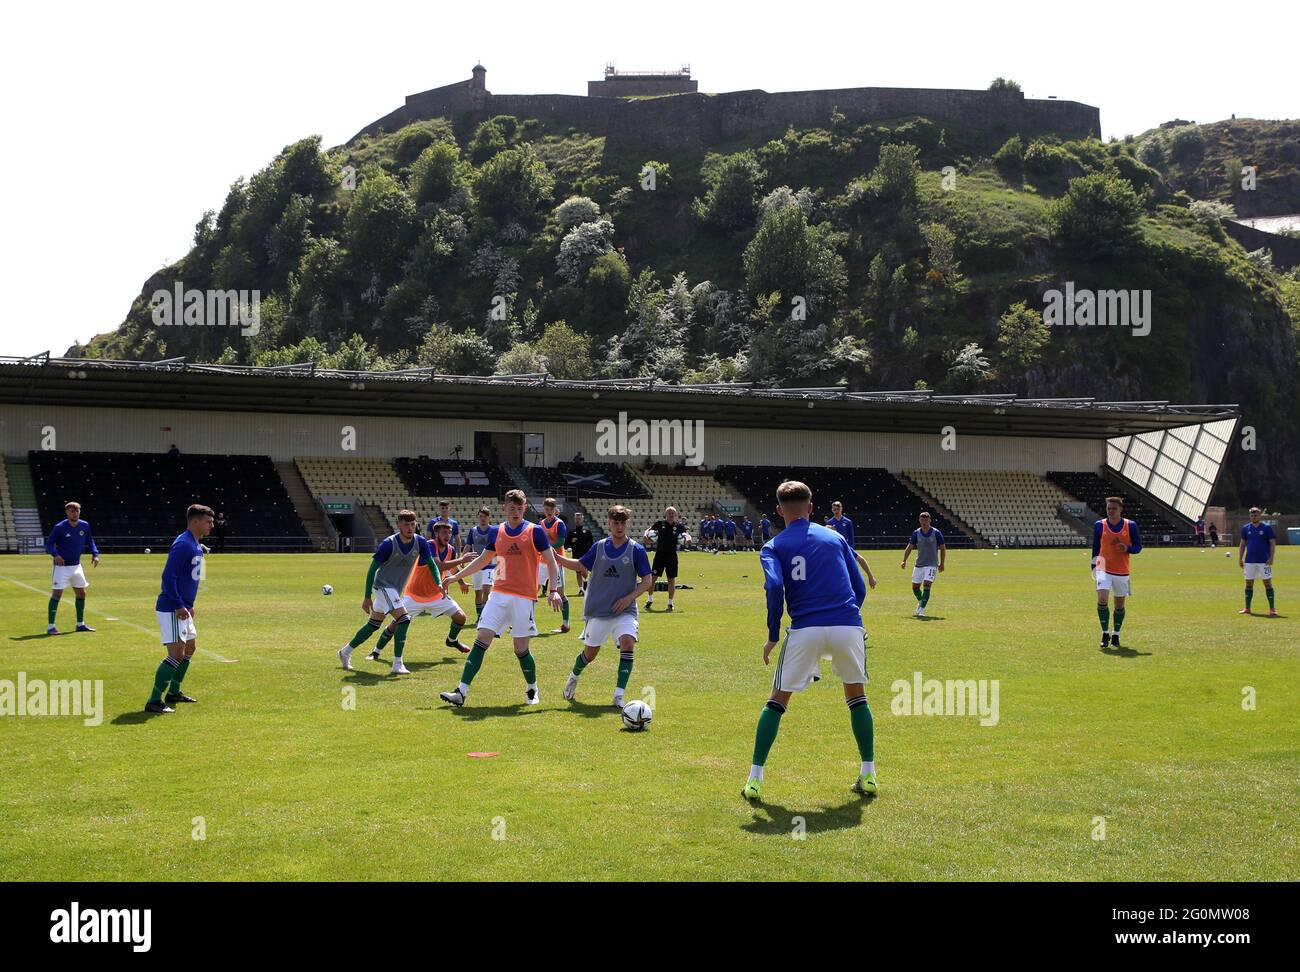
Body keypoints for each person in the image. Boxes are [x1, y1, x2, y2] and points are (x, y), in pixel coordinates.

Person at [742, 481, 874, 802]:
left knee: (777, 700)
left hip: (805, 629)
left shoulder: (773, 546)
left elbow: (774, 588)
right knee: (856, 698)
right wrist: (850, 621)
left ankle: (755, 780)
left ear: (778, 511)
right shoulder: (836, 537)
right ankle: (868, 774)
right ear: (812, 507)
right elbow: (859, 588)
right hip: (847, 625)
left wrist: (773, 634)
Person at [437, 490, 565, 707]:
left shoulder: (535, 531)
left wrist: (553, 590)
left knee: (520, 649)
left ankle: (532, 688)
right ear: (504, 508)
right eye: (511, 508)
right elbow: (483, 560)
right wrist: (456, 576)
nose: (515, 512)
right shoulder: (497, 532)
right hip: (498, 595)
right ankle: (461, 692)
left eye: (519, 507)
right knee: (482, 638)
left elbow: (551, 562)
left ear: (524, 508)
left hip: (524, 598)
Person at [553, 506, 654, 708]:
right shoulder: (599, 547)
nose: (619, 526)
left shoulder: (636, 549)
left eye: (622, 522)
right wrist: (556, 558)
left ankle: (618, 696)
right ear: (608, 523)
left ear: (627, 524)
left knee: (627, 643)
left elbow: (647, 581)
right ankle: (573, 676)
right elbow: (581, 565)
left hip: (624, 611)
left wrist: (629, 598)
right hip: (598, 611)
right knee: (589, 654)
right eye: (615, 522)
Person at [336, 510, 440, 674]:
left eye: (413, 524)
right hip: (383, 586)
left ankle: (345, 652)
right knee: (404, 619)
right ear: (398, 525)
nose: (410, 528)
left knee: (372, 625)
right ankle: (397, 664)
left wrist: (438, 582)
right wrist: (366, 597)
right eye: (406, 524)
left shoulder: (420, 542)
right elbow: (372, 570)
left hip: (394, 591)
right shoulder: (388, 544)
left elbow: (431, 564)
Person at [368, 521, 474, 665]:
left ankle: (451, 640)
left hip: (436, 595)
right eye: (444, 532)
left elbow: (451, 568)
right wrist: (462, 559)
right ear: (436, 534)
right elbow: (439, 565)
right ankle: (376, 651)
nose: (447, 535)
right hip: (415, 596)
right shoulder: (429, 545)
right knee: (396, 624)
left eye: (449, 532)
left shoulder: (450, 549)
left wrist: (461, 582)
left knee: (461, 618)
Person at [145, 504, 214, 713]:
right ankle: (154, 700)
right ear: (194, 522)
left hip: (184, 607)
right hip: (172, 608)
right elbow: (168, 577)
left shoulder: (194, 544)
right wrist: (178, 605)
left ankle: (174, 691)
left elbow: (190, 578)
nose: (212, 524)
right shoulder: (184, 544)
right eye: (207, 521)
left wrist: (189, 605)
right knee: (176, 654)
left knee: (190, 648)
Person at [1091, 496, 1142, 649]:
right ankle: (1105, 633)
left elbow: (1138, 547)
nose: (1111, 511)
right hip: (1102, 566)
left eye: (1114, 508)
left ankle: (1116, 634)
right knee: (1102, 600)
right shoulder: (1099, 525)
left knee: (1119, 606)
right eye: (1108, 508)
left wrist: (1127, 548)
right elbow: (1095, 546)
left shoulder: (1130, 525)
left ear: (1121, 509)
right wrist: (1093, 565)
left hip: (1122, 570)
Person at [44, 500, 100, 635]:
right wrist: (55, 555)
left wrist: (95, 553)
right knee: (57, 594)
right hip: (61, 567)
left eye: (77, 511)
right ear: (67, 512)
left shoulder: (85, 525)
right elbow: (49, 544)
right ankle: (51, 626)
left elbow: (90, 540)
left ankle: (80, 624)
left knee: (81, 593)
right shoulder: (59, 527)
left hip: (76, 566)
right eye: (72, 511)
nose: (75, 513)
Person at [900, 512, 946, 618]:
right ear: (919, 521)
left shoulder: (936, 533)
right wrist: (904, 560)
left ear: (930, 520)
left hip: (932, 564)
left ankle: (921, 610)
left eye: (926, 520)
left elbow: (943, 548)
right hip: (919, 564)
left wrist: (942, 563)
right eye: (922, 520)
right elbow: (910, 547)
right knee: (915, 587)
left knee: (927, 585)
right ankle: (921, 602)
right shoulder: (916, 533)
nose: (924, 522)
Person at [537, 497, 571, 633]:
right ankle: (527, 622)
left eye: (551, 509)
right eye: (546, 509)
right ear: (543, 509)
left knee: (560, 593)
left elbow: (561, 541)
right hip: (542, 562)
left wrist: (546, 547)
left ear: (555, 510)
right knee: (532, 590)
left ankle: (565, 624)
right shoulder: (541, 523)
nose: (549, 511)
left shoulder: (559, 523)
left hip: (556, 562)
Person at [646, 506, 688, 611]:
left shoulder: (679, 526)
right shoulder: (659, 524)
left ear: (676, 515)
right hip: (659, 555)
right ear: (665, 514)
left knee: (671, 580)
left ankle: (670, 603)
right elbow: (649, 531)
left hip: (672, 556)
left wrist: (689, 539)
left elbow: (686, 535)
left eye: (672, 513)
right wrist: (646, 536)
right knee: (653, 578)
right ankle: (650, 599)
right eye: (669, 513)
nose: (671, 515)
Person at [1239, 507, 1278, 617]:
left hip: (1263, 561)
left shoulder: (1267, 528)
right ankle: (1247, 608)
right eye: (1251, 515)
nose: (1253, 517)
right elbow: (1242, 544)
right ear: (1249, 516)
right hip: (1249, 561)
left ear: (1259, 516)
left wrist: (1271, 558)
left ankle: (1272, 609)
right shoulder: (1245, 528)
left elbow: (1272, 543)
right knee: (1248, 584)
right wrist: (1240, 558)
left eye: (1255, 515)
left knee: (1267, 584)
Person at [465, 506, 497, 622]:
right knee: (478, 593)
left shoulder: (494, 530)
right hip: (476, 565)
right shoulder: (473, 531)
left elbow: (498, 546)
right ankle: (479, 616)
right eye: (481, 516)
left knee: (486, 590)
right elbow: (468, 545)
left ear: (489, 517)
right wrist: (463, 558)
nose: (483, 519)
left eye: (485, 516)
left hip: (490, 565)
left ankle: (485, 617)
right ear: (478, 517)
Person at [567, 512, 595, 595]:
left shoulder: (587, 532)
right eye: (576, 519)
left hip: (586, 555)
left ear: (583, 519)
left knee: (585, 571)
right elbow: (566, 544)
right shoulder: (572, 533)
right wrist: (571, 542)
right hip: (576, 555)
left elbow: (591, 544)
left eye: (579, 519)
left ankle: (586, 585)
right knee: (578, 572)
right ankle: (581, 589)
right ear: (574, 520)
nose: (578, 520)